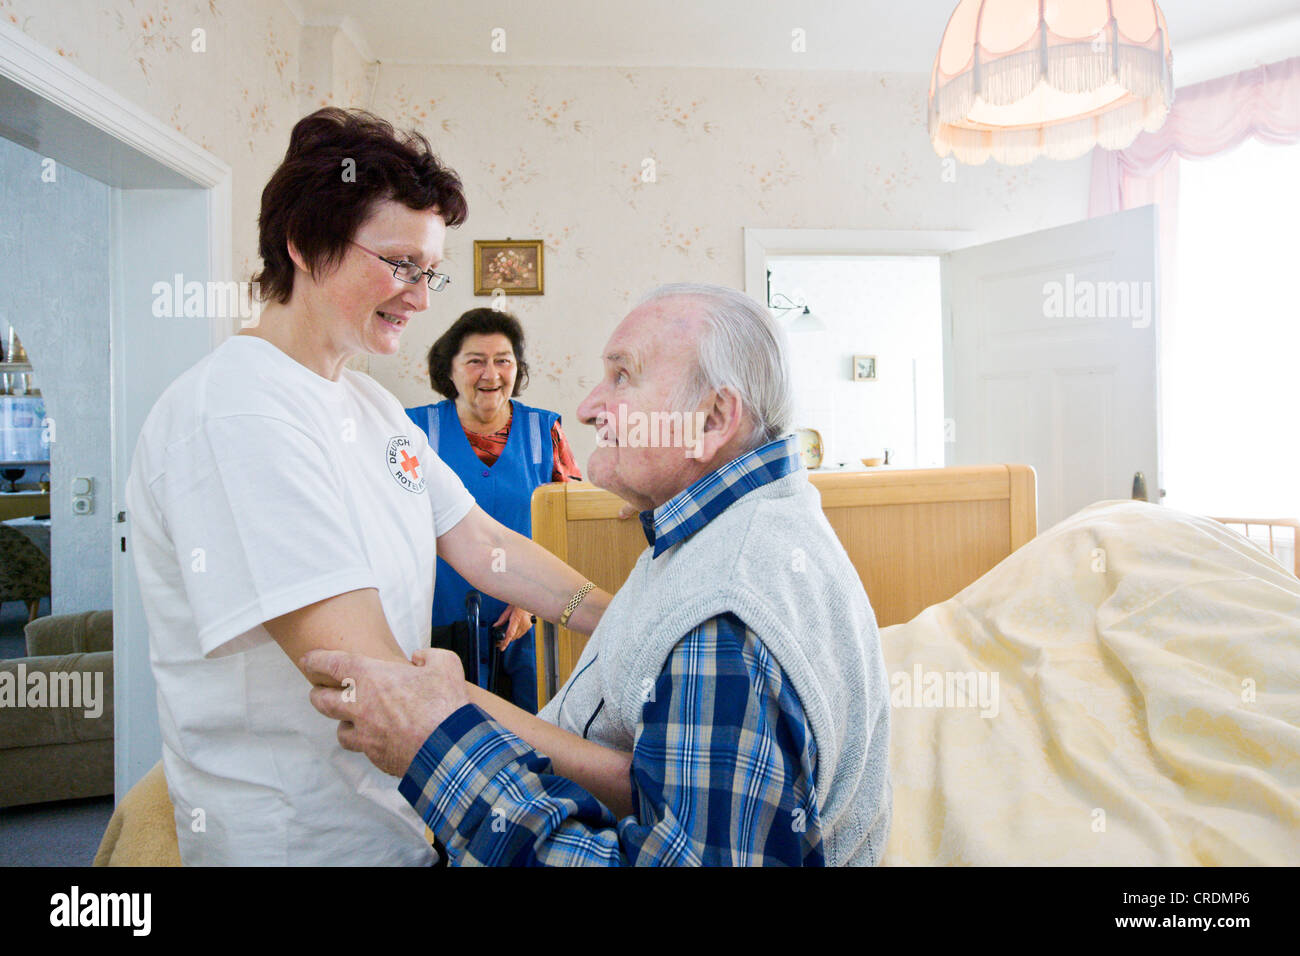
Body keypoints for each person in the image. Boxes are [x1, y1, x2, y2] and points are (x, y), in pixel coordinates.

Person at [124, 107, 622, 866]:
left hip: (395, 823)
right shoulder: (236, 415)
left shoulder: (371, 406)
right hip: (302, 845)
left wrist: (627, 622)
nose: (422, 298)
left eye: (430, 270)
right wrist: (621, 780)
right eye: (399, 264)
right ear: (304, 244)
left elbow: (481, 543)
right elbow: (382, 686)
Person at [305, 283, 893, 866]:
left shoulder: (721, 619)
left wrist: (440, 746)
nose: (587, 407)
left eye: (622, 376)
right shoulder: (738, 526)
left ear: (713, 419)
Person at [406, 308, 582, 714]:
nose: (491, 374)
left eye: (503, 360)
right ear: (448, 370)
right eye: (475, 361)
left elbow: (569, 524)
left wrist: (530, 601)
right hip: (438, 624)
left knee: (535, 736)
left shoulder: (545, 432)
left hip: (529, 629)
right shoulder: (414, 432)